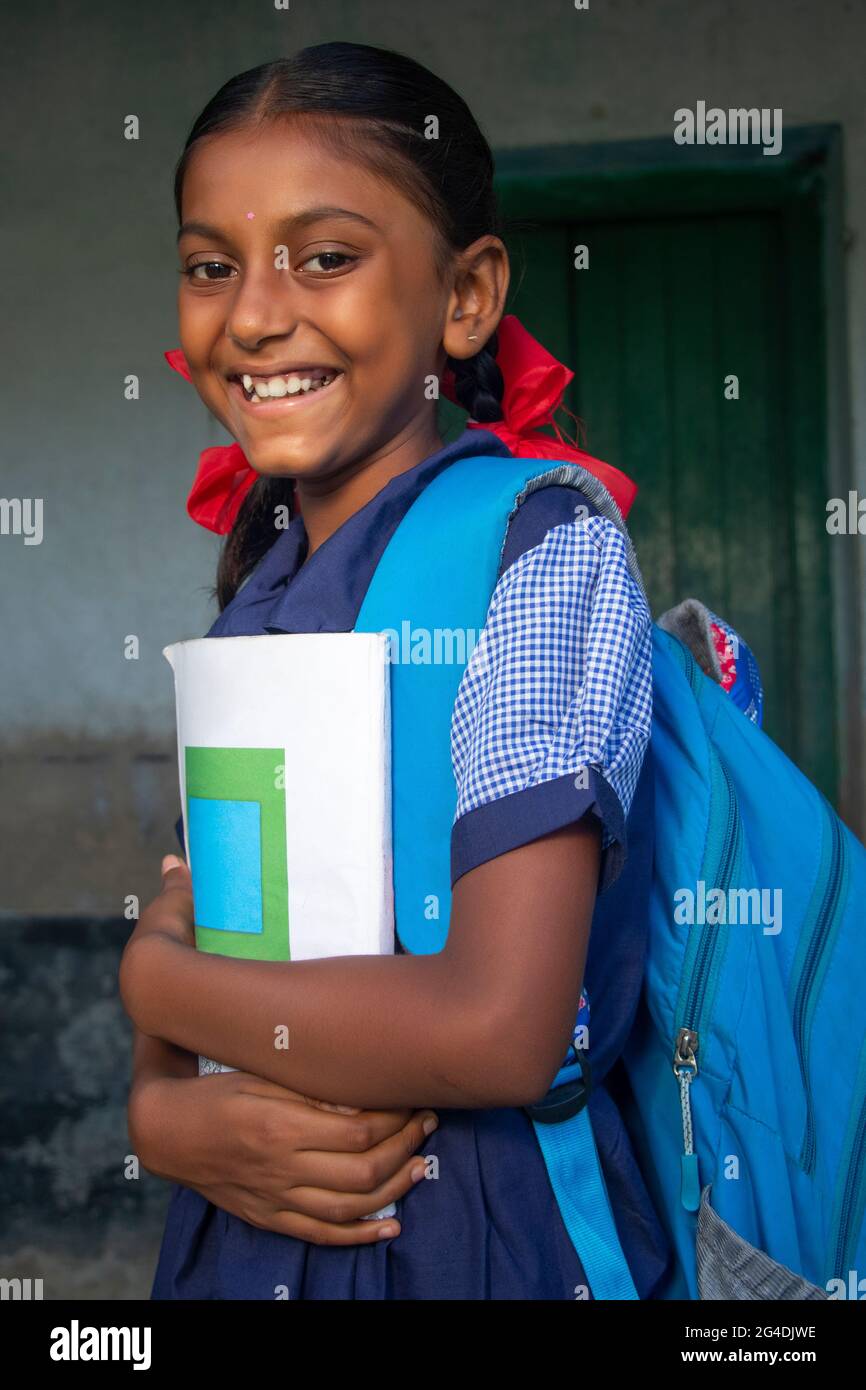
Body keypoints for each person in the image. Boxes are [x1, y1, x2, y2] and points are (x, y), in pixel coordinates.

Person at [120, 40, 672, 1300]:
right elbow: (217, 931)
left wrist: (151, 979)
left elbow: (498, 1029)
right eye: (213, 267)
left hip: (478, 1246)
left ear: (466, 297)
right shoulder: (255, 590)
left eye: (324, 257)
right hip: (243, 1244)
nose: (254, 313)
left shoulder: (537, 547)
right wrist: (164, 1117)